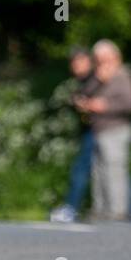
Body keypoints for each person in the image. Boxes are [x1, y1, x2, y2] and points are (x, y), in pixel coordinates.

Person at [79, 39, 131, 219]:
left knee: (115, 169)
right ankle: (101, 209)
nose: (102, 62)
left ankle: (118, 210)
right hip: (99, 130)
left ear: (115, 57)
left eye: (105, 58)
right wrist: (98, 80)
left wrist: (105, 106)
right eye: (98, 59)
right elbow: (84, 93)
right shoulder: (97, 77)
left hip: (116, 129)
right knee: (98, 171)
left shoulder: (123, 76)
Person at [49, 48, 98, 223]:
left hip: (98, 131)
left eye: (79, 62)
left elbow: (98, 104)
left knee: (81, 170)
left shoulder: (96, 79)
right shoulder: (82, 81)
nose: (76, 66)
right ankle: (130, 210)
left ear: (89, 61)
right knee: (104, 170)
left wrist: (85, 104)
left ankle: (71, 207)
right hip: (90, 131)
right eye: (73, 63)